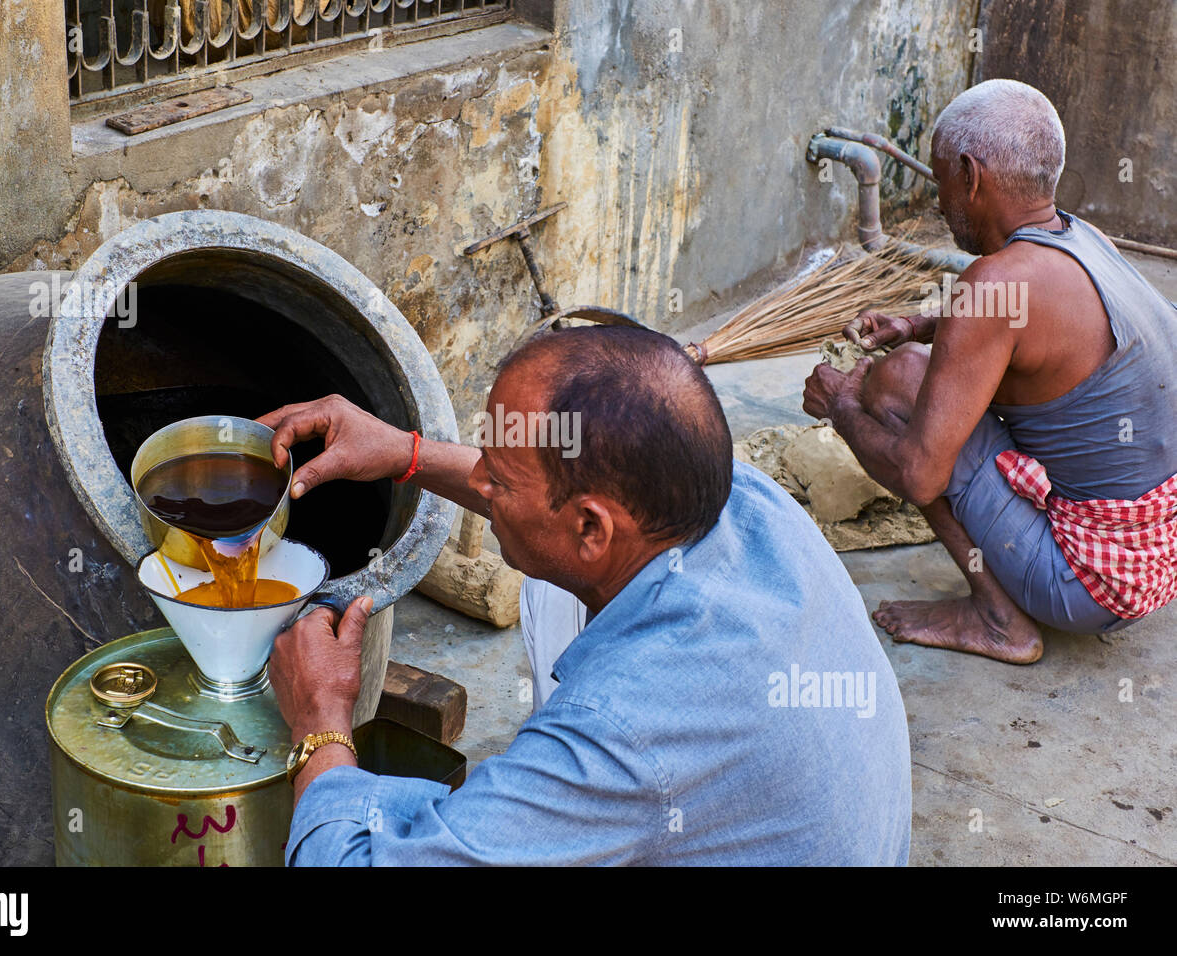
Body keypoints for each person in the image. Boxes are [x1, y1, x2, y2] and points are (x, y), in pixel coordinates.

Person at [261, 325, 912, 865]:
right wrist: (407, 454)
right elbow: (539, 492)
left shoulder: (620, 736)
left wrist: (320, 720)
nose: (480, 477)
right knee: (553, 596)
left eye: (500, 475)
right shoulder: (739, 496)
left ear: (592, 529)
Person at [803, 79, 1177, 665]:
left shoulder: (995, 284)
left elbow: (918, 477)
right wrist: (920, 323)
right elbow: (1022, 322)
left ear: (971, 176)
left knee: (897, 380)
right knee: (922, 362)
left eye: (941, 178)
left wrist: (842, 406)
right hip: (1154, 564)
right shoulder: (1085, 240)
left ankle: (1001, 620)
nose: (939, 200)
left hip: (1086, 588)